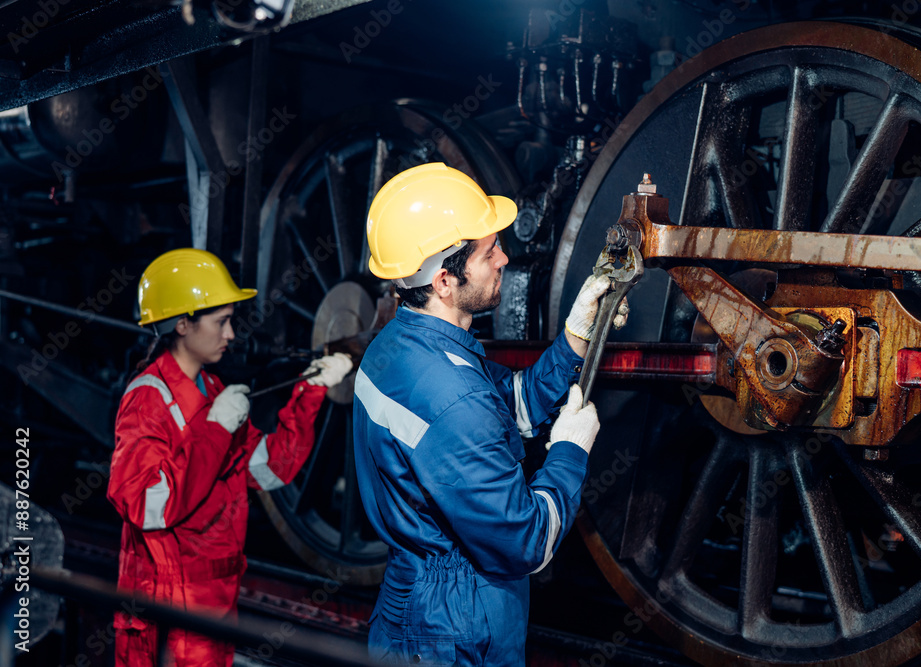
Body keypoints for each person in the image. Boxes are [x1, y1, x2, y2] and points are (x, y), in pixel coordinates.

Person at [354, 163, 628, 665]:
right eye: (488, 253)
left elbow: (513, 408)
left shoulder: (400, 347)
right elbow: (526, 542)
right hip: (453, 629)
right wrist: (569, 450)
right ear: (443, 280)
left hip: (422, 604)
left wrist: (574, 336)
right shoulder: (450, 395)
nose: (504, 257)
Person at [107, 248, 352, 667]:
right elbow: (148, 506)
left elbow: (271, 468)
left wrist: (310, 391)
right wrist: (216, 430)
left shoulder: (214, 391)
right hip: (166, 614)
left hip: (214, 607)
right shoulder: (148, 399)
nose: (232, 334)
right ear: (182, 324)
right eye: (221, 321)